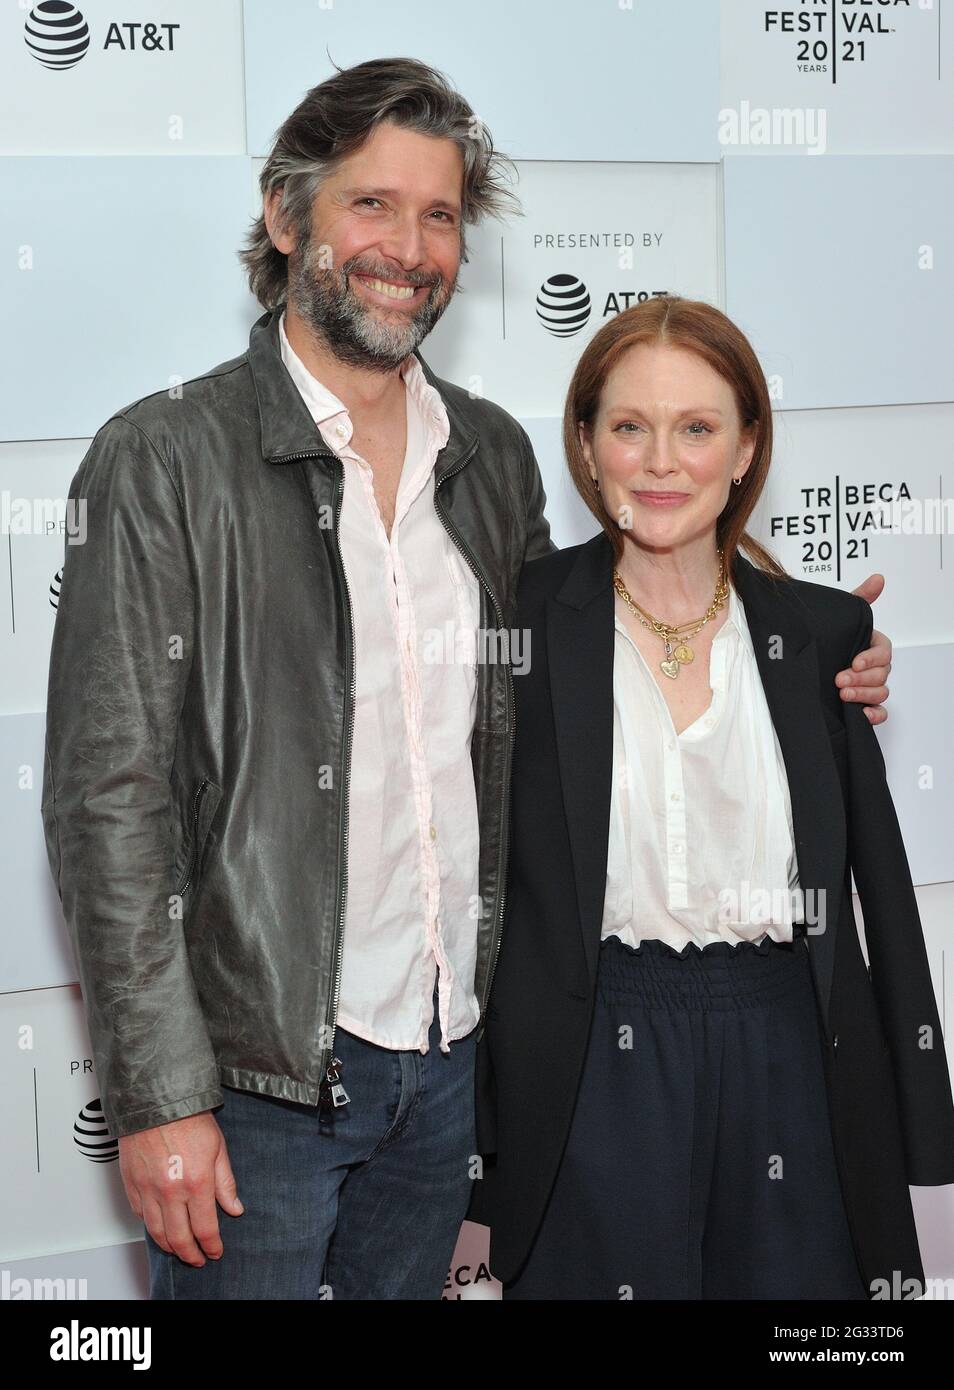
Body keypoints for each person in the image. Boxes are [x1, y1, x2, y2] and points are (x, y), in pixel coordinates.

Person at [40, 59, 893, 1302]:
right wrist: (162, 1098)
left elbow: (609, 639)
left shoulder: (486, 457)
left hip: (450, 1070)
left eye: (439, 216)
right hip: (259, 1079)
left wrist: (811, 650)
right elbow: (107, 800)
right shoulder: (164, 458)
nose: (409, 246)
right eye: (372, 205)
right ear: (288, 220)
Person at [468, 294, 954, 1301]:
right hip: (590, 1063)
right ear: (588, 448)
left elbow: (883, 899)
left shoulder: (822, 636)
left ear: (744, 451)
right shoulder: (513, 629)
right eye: (629, 427)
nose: (659, 463)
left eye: (696, 428)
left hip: (792, 1053)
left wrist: (916, 1108)